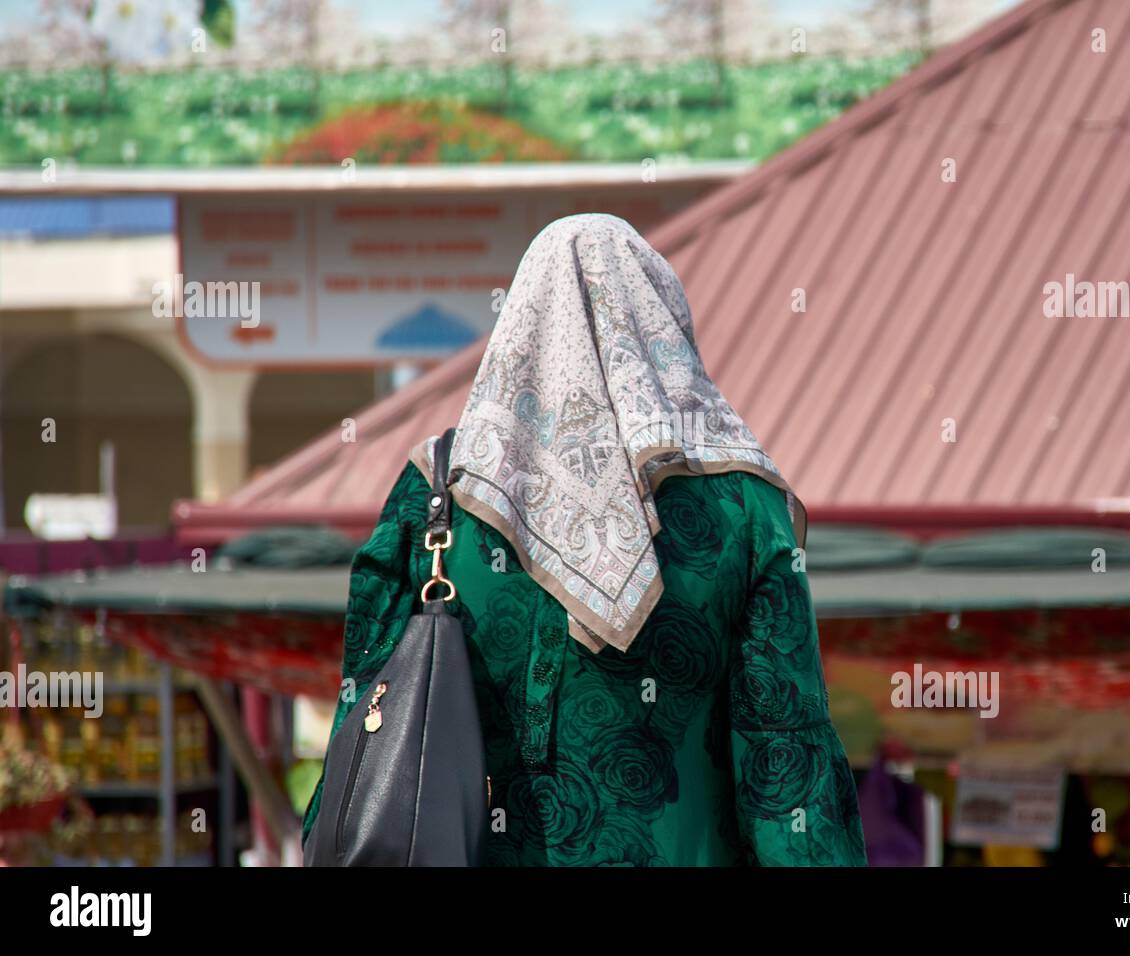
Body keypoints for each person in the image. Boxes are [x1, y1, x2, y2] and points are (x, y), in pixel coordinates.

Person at [301, 213, 867, 866]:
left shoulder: (435, 492)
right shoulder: (745, 504)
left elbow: (364, 711)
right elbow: (785, 758)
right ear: (662, 327)